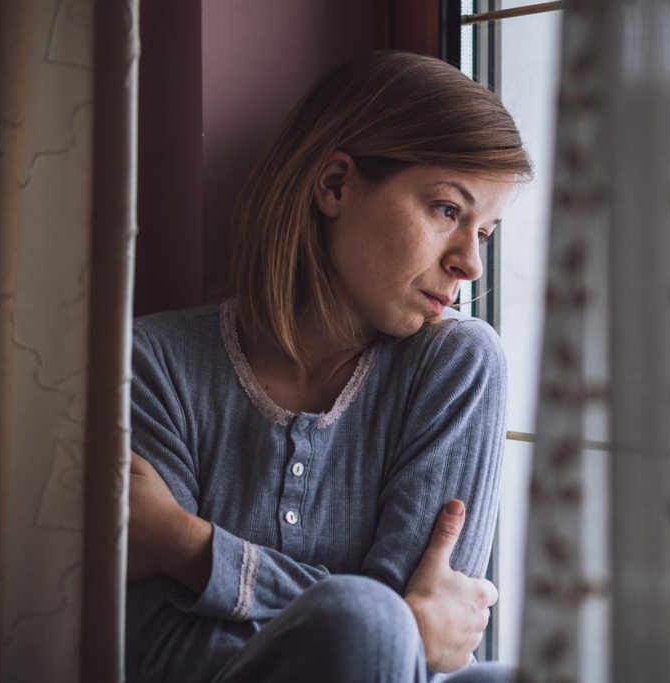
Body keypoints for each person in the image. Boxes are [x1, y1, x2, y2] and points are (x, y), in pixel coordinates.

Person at [126, 50, 532, 683]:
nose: (469, 265)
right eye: (448, 210)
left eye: (485, 232)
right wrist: (396, 621)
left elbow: (418, 652)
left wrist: (189, 546)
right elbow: (161, 652)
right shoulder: (153, 364)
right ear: (336, 185)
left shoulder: (458, 364)